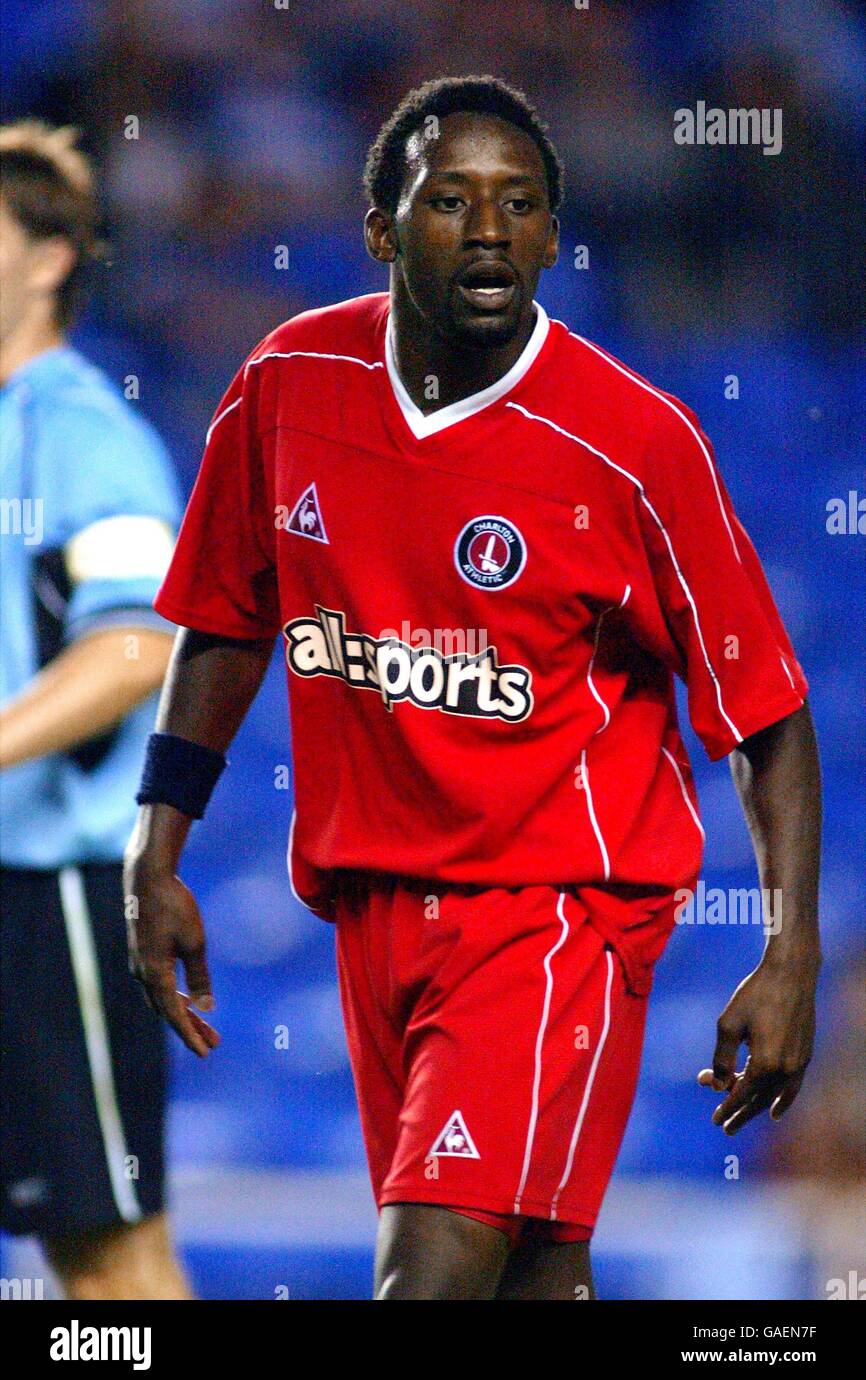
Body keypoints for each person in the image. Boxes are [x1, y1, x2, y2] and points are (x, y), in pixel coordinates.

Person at [125, 77, 821, 1301]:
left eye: (519, 203)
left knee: (428, 1271)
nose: (489, 228)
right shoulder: (288, 383)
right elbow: (227, 623)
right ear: (383, 227)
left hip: (553, 915)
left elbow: (763, 709)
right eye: (450, 199)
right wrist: (157, 842)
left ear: (553, 235)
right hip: (373, 908)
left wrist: (788, 952)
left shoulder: (633, 444)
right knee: (533, 1278)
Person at [0, 121, 190, 1298]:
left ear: (49, 255)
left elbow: (131, 647)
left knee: (106, 1259)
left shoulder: (81, 432)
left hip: (47, 896)